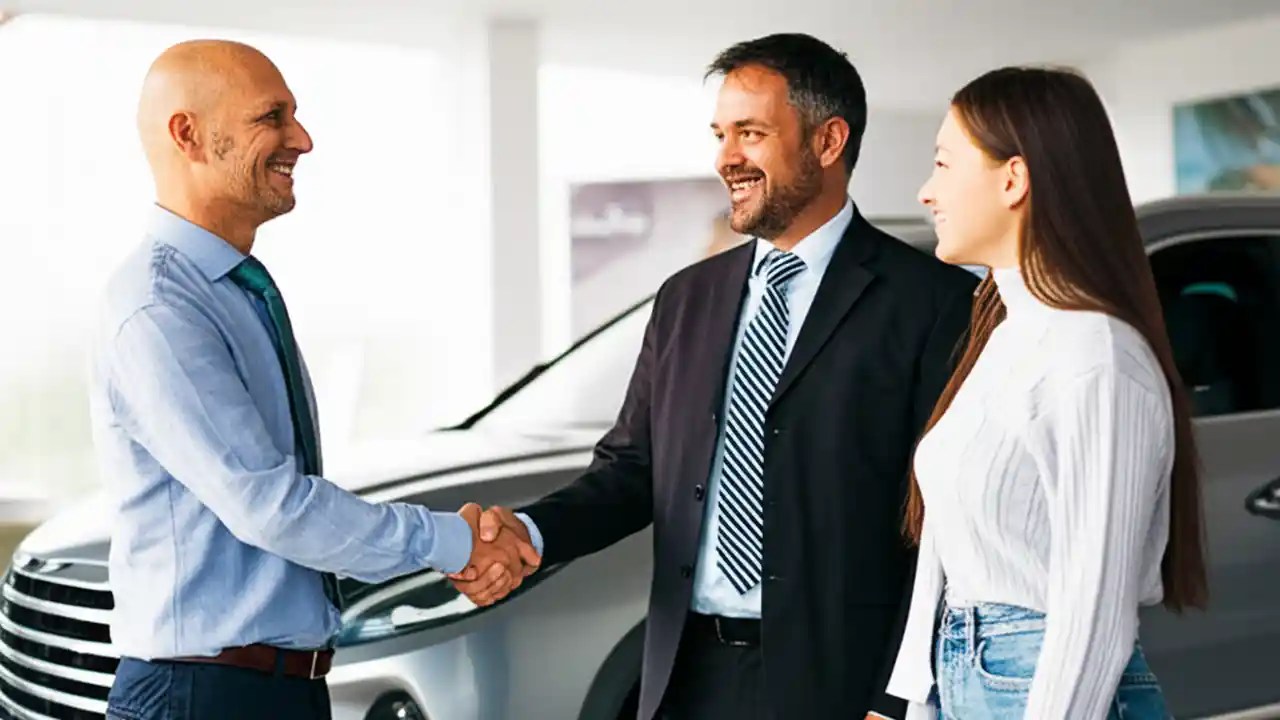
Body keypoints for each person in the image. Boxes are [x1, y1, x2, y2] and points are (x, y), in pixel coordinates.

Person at [451, 33, 978, 720]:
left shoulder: (930, 303)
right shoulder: (685, 299)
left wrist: (899, 693)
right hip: (684, 677)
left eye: (751, 133)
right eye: (721, 134)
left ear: (828, 140)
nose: (726, 158)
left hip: (843, 687)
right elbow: (630, 471)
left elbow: (944, 523)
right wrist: (529, 534)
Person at [91, 40, 537, 720]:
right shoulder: (161, 308)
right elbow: (271, 506)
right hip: (203, 698)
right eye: (272, 117)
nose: (301, 138)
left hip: (271, 690)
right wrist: (456, 543)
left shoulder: (233, 289)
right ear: (188, 134)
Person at [884, 66, 1209, 719]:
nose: (926, 192)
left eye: (944, 165)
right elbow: (949, 552)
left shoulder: (1097, 355)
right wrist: (912, 700)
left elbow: (1094, 612)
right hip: (968, 679)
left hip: (1046, 690)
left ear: (1014, 178)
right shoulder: (1003, 338)